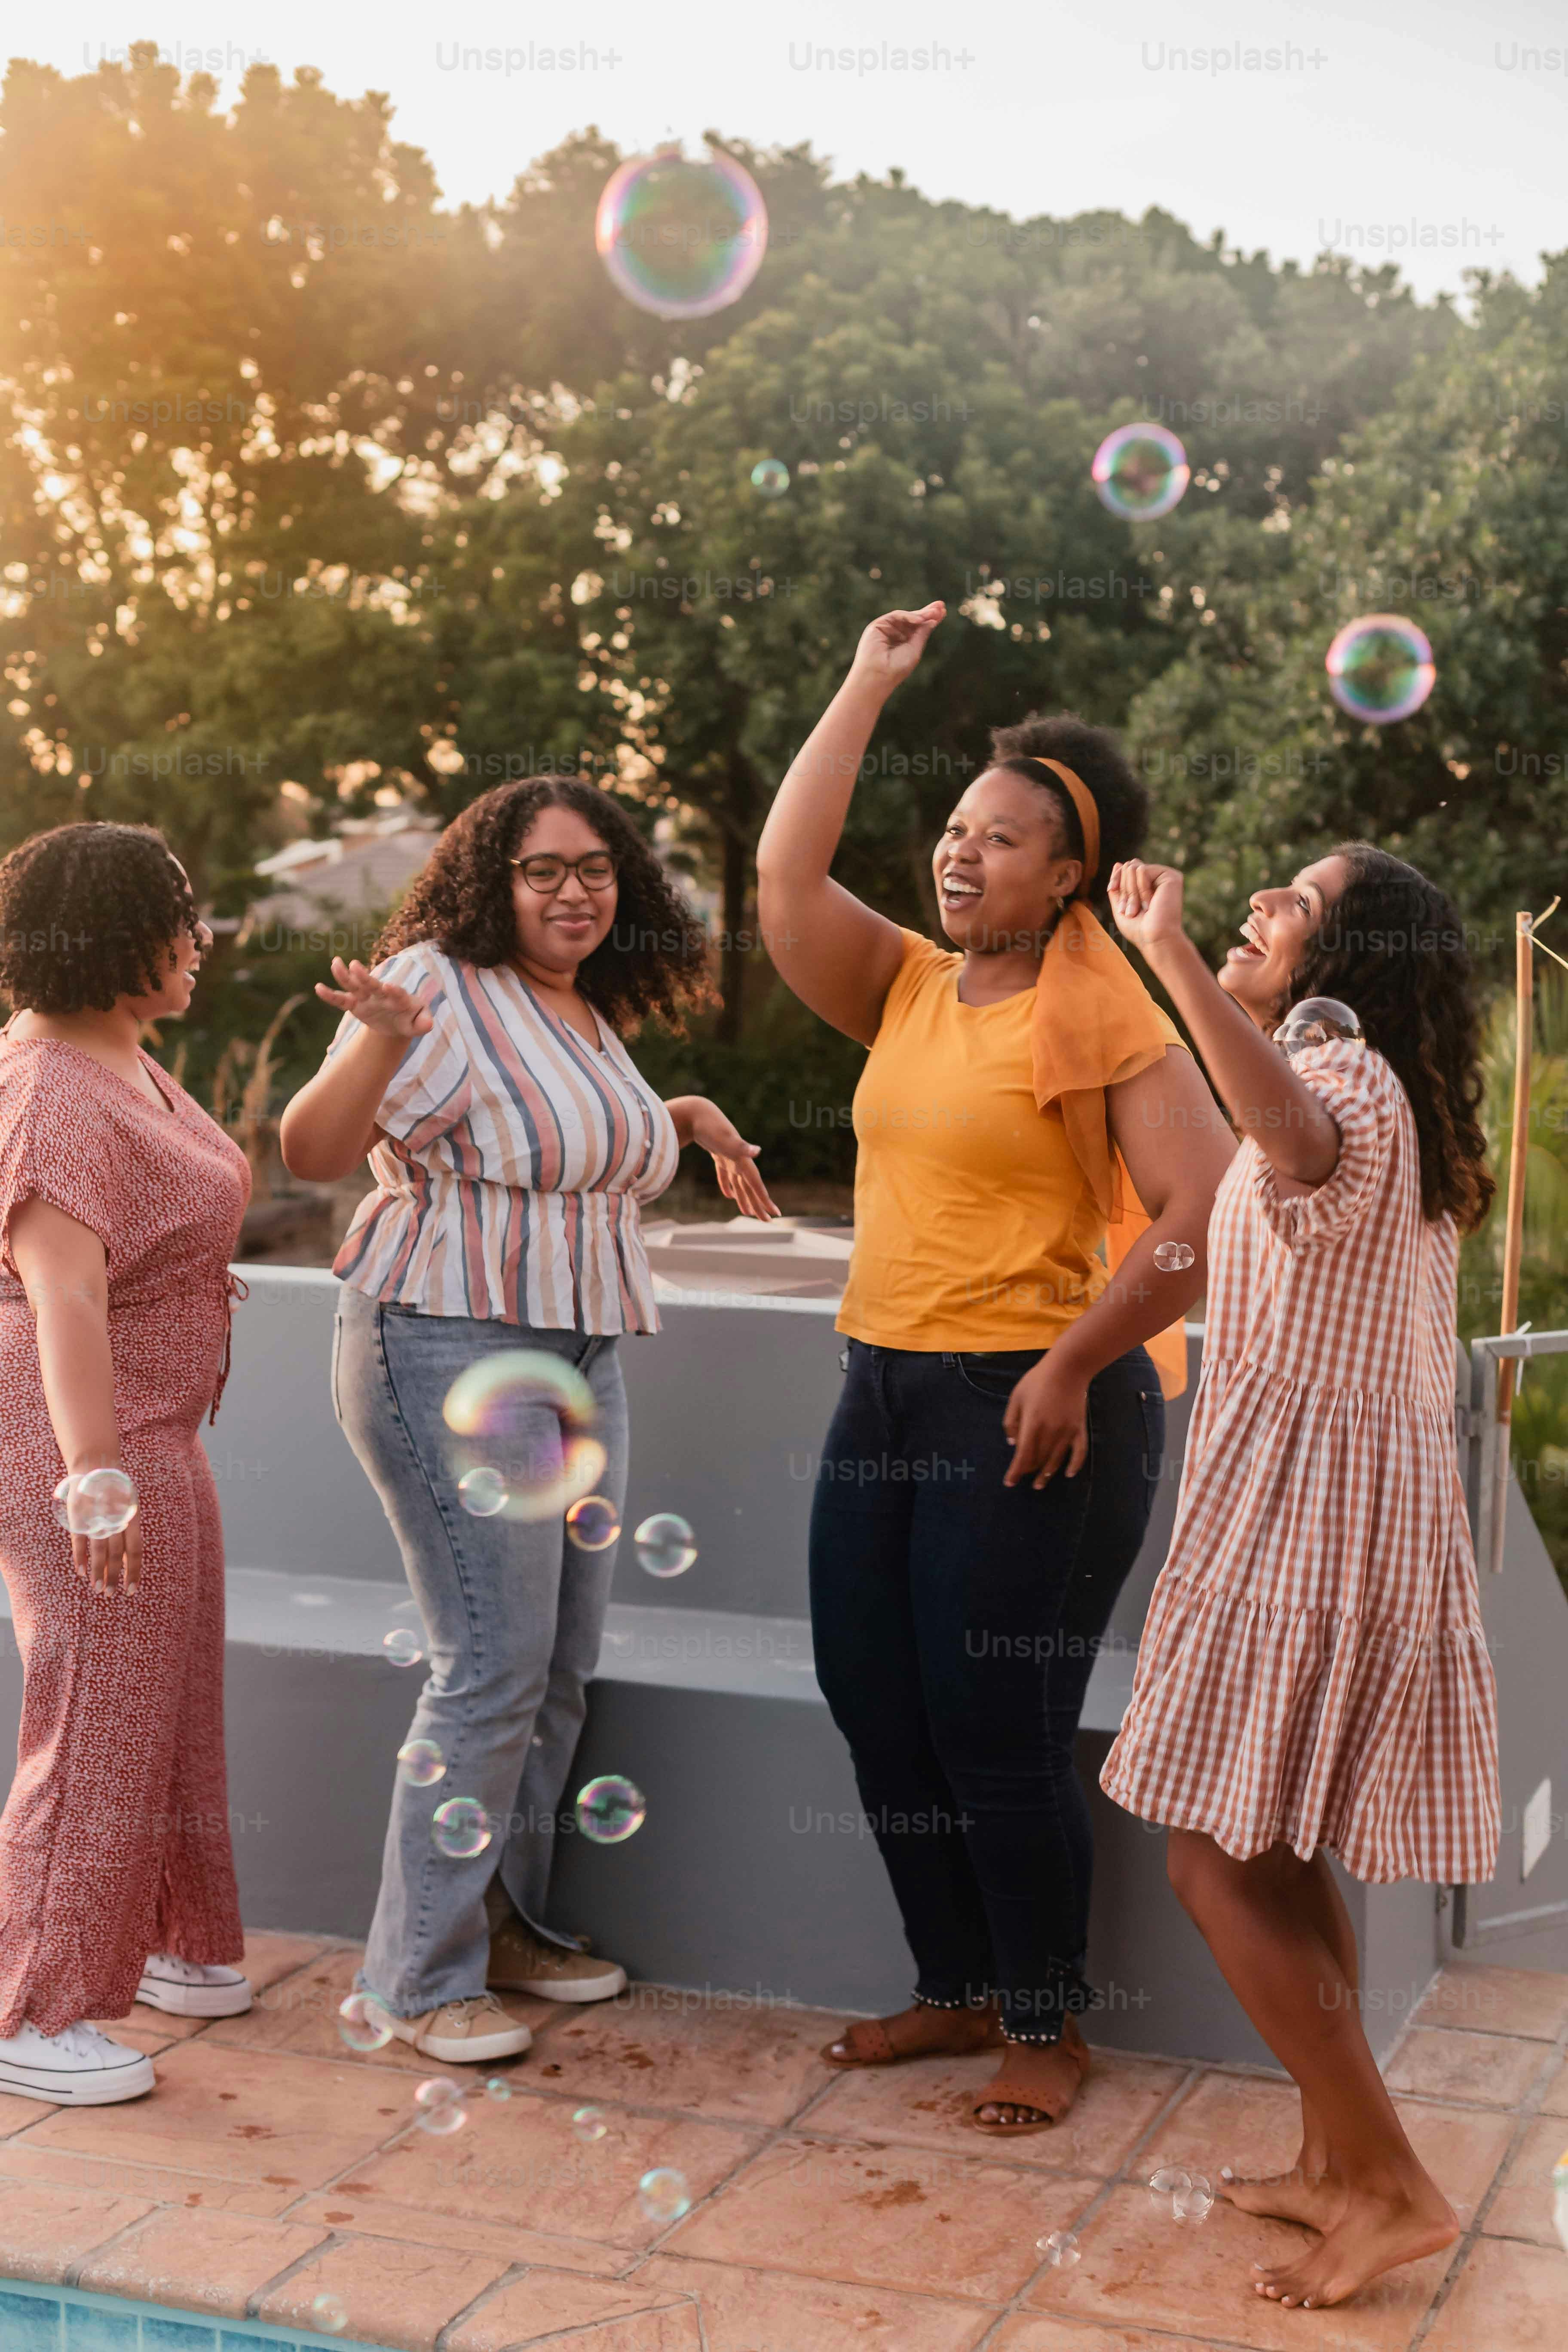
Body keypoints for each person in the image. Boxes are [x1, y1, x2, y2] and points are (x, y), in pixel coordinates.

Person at [755, 603, 1235, 2131]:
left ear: (1070, 874)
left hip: (1037, 1405)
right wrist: (865, 678)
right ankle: (953, 1984)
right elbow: (783, 875)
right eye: (954, 831)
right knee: (871, 1696)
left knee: (992, 1720)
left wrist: (1076, 1358)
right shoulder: (903, 984)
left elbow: (1204, 1215)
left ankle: (1048, 2019)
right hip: (884, 1384)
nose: (961, 855)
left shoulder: (1113, 1022)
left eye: (1003, 838)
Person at [281, 776, 776, 2068]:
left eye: (598, 867)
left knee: (557, 1667)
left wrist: (675, 1117)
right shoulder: (431, 979)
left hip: (574, 1346)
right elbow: (313, 1150)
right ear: (490, 881)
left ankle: (499, 1924)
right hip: (448, 1342)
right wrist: (379, 1039)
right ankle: (411, 1980)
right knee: (491, 1664)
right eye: (544, 869)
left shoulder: (581, 1005)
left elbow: (544, 1142)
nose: (575, 890)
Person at [1101, 843, 1499, 2309]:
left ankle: (1393, 2185)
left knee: (1208, 1857)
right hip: (1311, 1514)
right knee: (1275, 1845)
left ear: (1358, 953)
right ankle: (1338, 2161)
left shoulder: (1357, 1088)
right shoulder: (1360, 1085)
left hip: (1311, 1531)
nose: (1268, 898)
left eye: (1300, 898)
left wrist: (1174, 954)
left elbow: (1285, 1138)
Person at [0, 822, 255, 2105]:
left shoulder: (124, 1060)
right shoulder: (49, 1088)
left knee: (169, 1689)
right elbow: (67, 1299)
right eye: (178, 918)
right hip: (81, 1431)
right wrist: (92, 1474)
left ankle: (178, 1937)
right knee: (95, 1704)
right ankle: (35, 2004)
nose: (197, 942)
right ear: (113, 938)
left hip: (159, 1424)